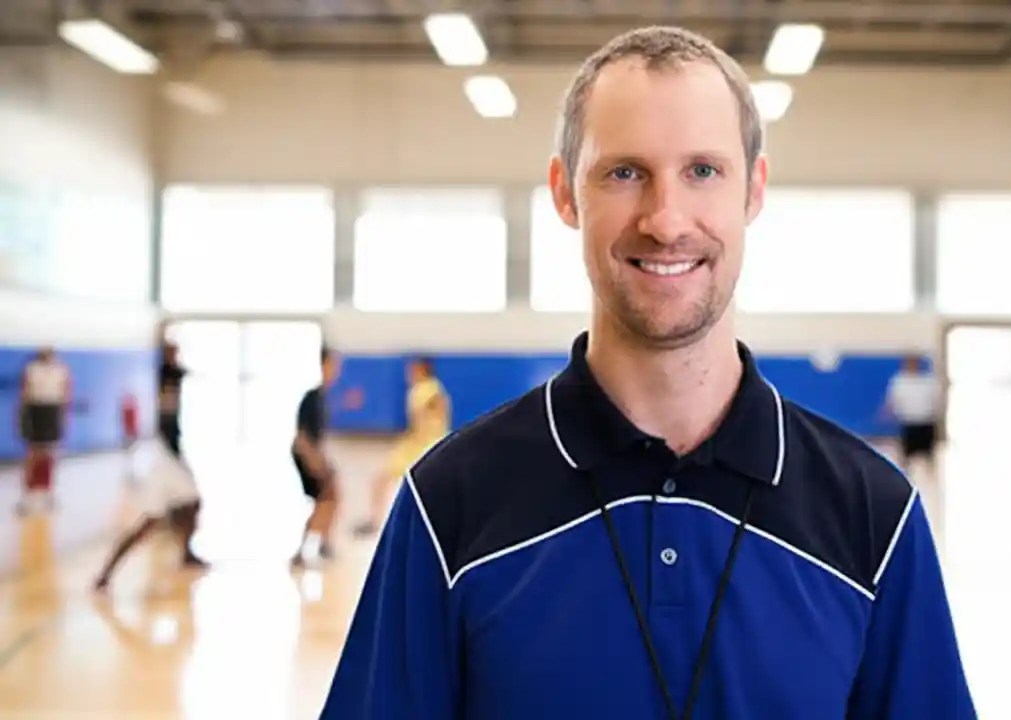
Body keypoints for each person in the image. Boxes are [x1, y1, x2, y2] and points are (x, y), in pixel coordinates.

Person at [322, 26, 975, 719]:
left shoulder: (873, 514)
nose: (665, 221)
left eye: (703, 171)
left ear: (753, 190)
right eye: (625, 173)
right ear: (565, 193)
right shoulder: (450, 502)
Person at [93, 437, 206, 592]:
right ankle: (105, 574)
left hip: (171, 462)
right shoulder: (162, 449)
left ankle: (187, 554)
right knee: (148, 524)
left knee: (191, 505)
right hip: (164, 465)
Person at [355, 356, 451, 536]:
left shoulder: (426, 390)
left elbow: (434, 407)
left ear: (421, 369)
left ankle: (376, 521)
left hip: (426, 445)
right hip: (421, 442)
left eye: (412, 369)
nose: (409, 373)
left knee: (386, 479)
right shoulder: (427, 389)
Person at [291, 346, 343, 566]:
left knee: (329, 499)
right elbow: (303, 437)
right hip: (306, 456)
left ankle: (321, 543)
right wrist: (316, 464)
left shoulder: (323, 397)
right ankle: (307, 547)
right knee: (327, 498)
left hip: (315, 455)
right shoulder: (312, 398)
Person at [16, 346, 71, 515]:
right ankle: (26, 497)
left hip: (53, 410)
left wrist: (63, 417)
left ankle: (49, 495)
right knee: (33, 453)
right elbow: (24, 395)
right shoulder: (31, 369)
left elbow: (65, 395)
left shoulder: (61, 370)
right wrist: (22, 417)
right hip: (36, 410)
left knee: (52, 454)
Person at [884, 354, 941, 477]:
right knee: (906, 456)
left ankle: (932, 477)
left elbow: (936, 401)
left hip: (925, 421)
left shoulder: (927, 382)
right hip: (908, 422)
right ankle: (905, 478)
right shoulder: (900, 381)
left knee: (928, 456)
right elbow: (892, 401)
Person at [158, 341, 187, 458]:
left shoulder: (176, 371)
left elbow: (182, 372)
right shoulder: (162, 371)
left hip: (173, 410)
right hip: (163, 411)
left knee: (174, 433)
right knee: (165, 435)